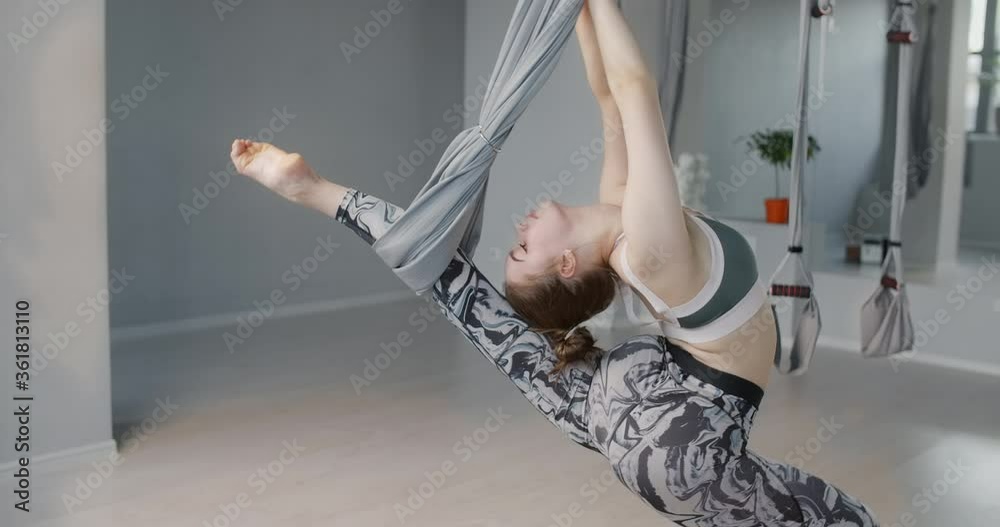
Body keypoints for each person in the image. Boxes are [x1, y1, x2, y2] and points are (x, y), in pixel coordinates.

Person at [229, 3, 877, 525]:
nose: (519, 227)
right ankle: (312, 190)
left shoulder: (621, 209)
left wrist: (585, 10)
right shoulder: (651, 247)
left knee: (469, 303)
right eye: (522, 250)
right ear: (567, 263)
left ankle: (312, 189)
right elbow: (634, 88)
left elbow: (606, 96)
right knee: (843, 518)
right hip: (684, 432)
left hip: (630, 418)